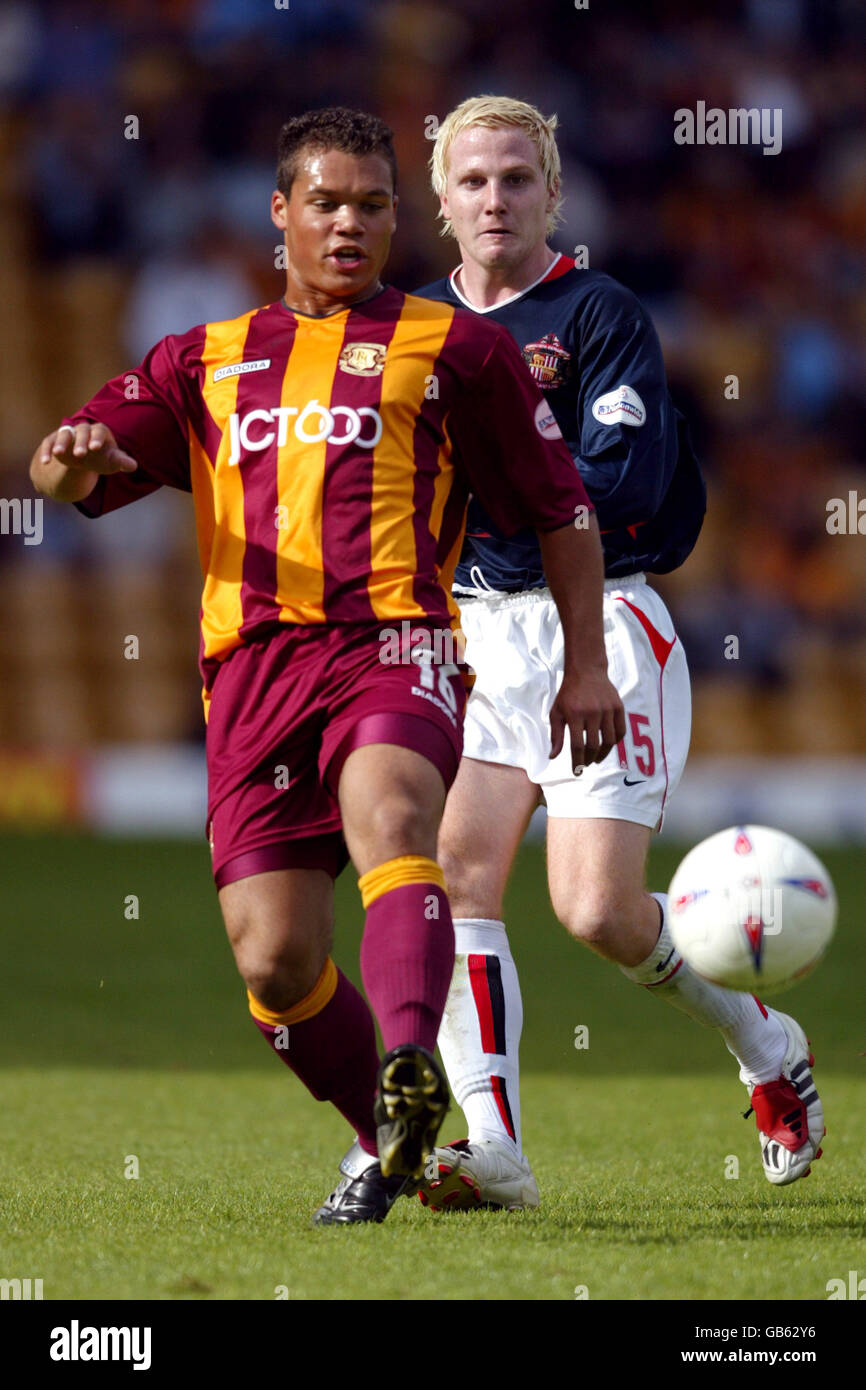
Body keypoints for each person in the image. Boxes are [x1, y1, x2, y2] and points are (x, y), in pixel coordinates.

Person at [30, 107, 624, 1225]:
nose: (348, 224)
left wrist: (584, 666)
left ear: (399, 218)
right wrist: (70, 467)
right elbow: (78, 472)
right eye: (325, 203)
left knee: (395, 820)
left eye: (370, 204)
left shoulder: (455, 349)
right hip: (252, 676)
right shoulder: (198, 361)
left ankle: (410, 1052)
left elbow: (561, 508)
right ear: (280, 214)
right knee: (273, 962)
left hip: (393, 644)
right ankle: (388, 1130)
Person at [412, 95, 824, 1211]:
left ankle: (761, 1038)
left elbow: (620, 486)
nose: (493, 197)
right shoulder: (403, 327)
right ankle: (495, 1148)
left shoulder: (595, 313)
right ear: (441, 200)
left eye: (514, 178)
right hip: (473, 631)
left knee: (594, 912)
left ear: (549, 192)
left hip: (596, 625)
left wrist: (483, 521)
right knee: (456, 879)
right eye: (472, 180)